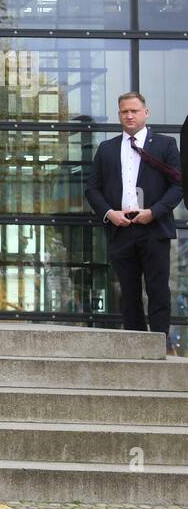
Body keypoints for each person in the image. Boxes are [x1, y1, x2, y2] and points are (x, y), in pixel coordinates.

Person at [84, 91, 182, 345]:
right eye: (124, 111)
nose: (129, 115)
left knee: (158, 289)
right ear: (119, 115)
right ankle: (136, 346)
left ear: (145, 113)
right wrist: (109, 214)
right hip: (121, 229)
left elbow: (178, 187)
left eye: (134, 111)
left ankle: (160, 345)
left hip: (154, 228)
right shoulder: (106, 148)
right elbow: (92, 188)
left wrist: (154, 212)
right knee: (128, 292)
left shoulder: (165, 145)